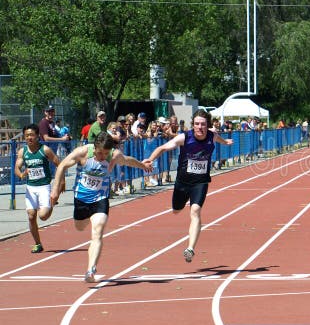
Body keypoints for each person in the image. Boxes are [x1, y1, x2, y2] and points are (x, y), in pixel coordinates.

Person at [51, 132, 152, 282]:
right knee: (80, 227)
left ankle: (91, 269)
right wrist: (55, 190)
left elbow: (127, 161)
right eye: (100, 153)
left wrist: (143, 165)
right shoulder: (83, 152)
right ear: (95, 147)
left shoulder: (114, 155)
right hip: (81, 199)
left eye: (106, 153)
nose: (103, 156)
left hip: (101, 198)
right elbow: (62, 166)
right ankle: (90, 265)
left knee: (97, 232)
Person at [143, 109, 234, 264]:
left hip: (201, 182)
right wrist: (150, 159)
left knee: (195, 210)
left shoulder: (212, 136)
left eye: (203, 124)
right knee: (176, 210)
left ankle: (190, 248)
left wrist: (225, 142)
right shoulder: (185, 137)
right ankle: (179, 206)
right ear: (193, 125)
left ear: (208, 125)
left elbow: (218, 138)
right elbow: (163, 148)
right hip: (182, 182)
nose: (200, 127)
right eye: (197, 124)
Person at [15, 124, 62, 253]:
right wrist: (22, 174)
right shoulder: (22, 151)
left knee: (43, 216)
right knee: (31, 216)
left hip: (44, 186)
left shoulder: (45, 150)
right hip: (31, 188)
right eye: (27, 135)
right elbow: (17, 169)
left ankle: (52, 201)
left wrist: (61, 181)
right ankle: (38, 243)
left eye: (32, 135)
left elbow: (59, 163)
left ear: (37, 136)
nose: (29, 137)